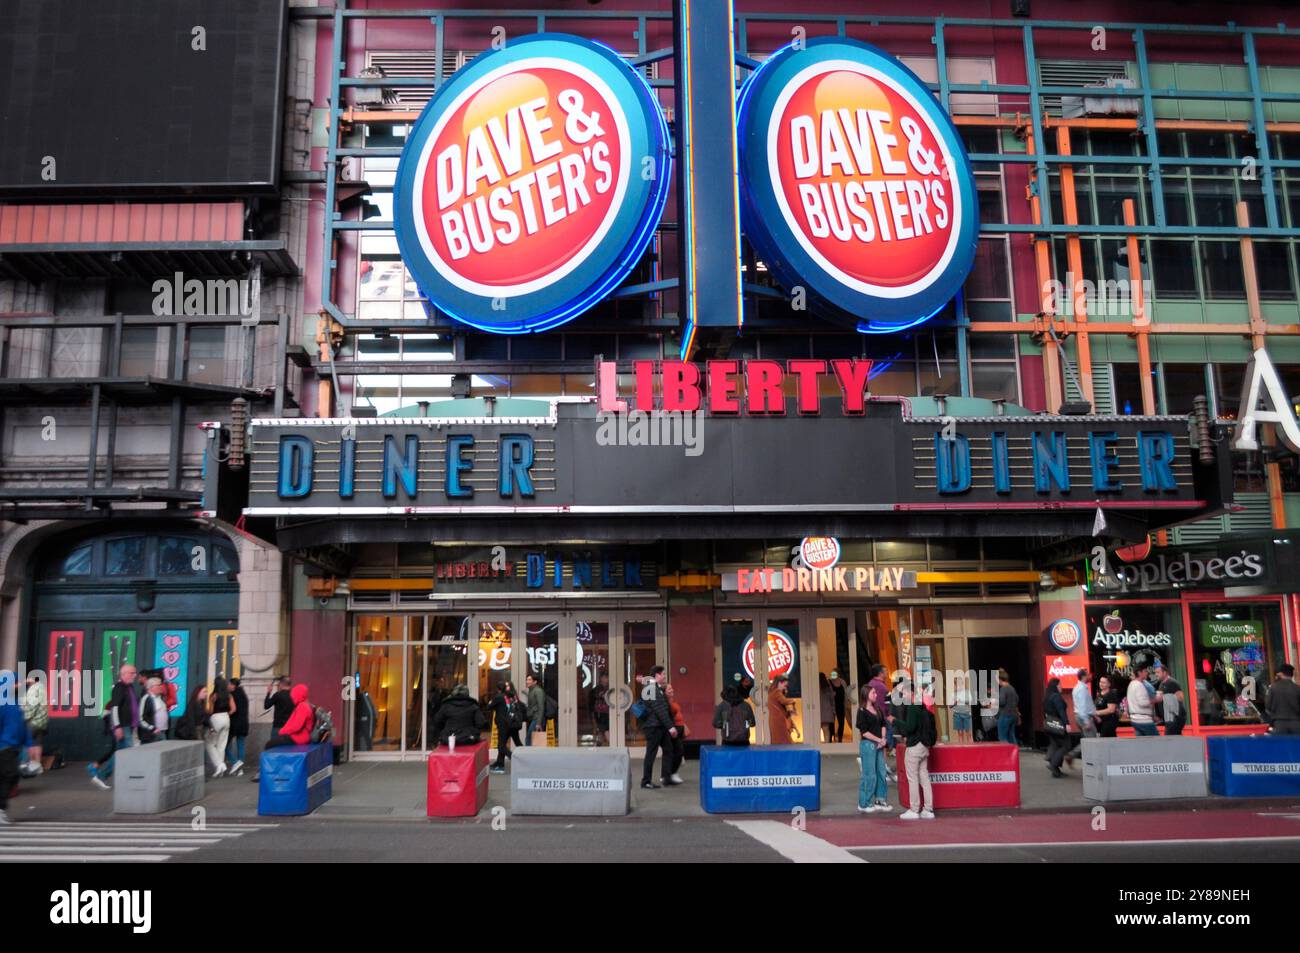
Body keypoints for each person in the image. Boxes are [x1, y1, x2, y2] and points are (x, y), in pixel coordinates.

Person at [89, 662, 139, 789]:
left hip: (129, 726)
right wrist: (117, 727)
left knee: (121, 754)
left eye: (135, 673)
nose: (135, 675)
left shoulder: (129, 688)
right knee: (126, 753)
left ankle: (101, 776)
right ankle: (102, 775)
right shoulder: (119, 687)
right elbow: (115, 708)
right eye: (132, 673)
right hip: (124, 726)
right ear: (124, 674)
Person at [893, 683, 935, 820]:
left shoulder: (912, 707)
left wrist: (895, 722)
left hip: (914, 746)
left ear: (911, 693)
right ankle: (928, 809)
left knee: (912, 778)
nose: (903, 696)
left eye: (904, 693)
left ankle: (914, 809)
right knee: (924, 777)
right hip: (924, 746)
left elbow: (909, 728)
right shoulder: (922, 706)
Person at [0, 672, 35, 824]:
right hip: (4, 746)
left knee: (9, 777)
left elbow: (23, 726)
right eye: (16, 683)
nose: (18, 685)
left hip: (13, 747)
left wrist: (30, 744)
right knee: (11, 775)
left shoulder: (18, 703)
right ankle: (1, 809)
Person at [638, 665, 679, 789]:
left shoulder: (655, 687)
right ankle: (646, 781)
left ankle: (666, 777)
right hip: (653, 727)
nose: (665, 677)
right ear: (657, 675)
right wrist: (671, 727)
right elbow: (660, 709)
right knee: (651, 753)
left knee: (668, 749)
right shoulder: (652, 688)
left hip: (659, 726)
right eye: (663, 674)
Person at [856, 679, 891, 813]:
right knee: (869, 774)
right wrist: (878, 740)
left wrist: (882, 739)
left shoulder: (877, 709)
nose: (876, 695)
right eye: (873, 693)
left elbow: (883, 724)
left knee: (881, 772)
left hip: (879, 744)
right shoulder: (862, 711)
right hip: (868, 745)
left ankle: (880, 799)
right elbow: (864, 732)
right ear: (866, 695)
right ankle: (864, 803)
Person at [487, 680, 523, 772]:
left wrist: (491, 702)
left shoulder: (499, 697)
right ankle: (500, 762)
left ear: (498, 689)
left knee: (501, 745)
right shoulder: (512, 696)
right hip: (512, 722)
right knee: (516, 742)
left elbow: (489, 707)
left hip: (504, 724)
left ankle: (516, 760)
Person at [867, 664, 895, 780]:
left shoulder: (870, 684)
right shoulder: (882, 687)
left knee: (879, 744)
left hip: (873, 718)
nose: (887, 673)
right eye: (885, 671)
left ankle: (880, 768)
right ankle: (882, 769)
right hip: (882, 718)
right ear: (880, 673)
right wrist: (889, 716)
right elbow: (888, 704)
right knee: (883, 743)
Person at [265, 684, 313, 749]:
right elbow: (291, 722)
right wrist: (283, 730)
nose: (292, 697)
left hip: (299, 738)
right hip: (298, 736)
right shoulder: (302, 705)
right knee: (275, 742)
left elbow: (296, 726)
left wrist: (283, 731)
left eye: (294, 695)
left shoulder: (302, 707)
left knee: (269, 744)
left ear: (298, 694)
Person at [206, 676, 235, 777]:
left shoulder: (213, 696)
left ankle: (219, 765)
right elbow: (233, 709)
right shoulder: (229, 696)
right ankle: (220, 771)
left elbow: (210, 710)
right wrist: (226, 714)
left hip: (216, 718)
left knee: (210, 743)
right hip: (226, 718)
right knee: (221, 745)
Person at [19, 674, 47, 777]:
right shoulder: (42, 688)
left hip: (33, 722)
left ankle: (27, 765)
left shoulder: (34, 689)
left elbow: (31, 706)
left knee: (28, 743)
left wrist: (24, 717)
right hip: (42, 722)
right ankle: (37, 766)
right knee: (38, 744)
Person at [1043, 678, 1071, 778]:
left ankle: (1056, 769)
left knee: (1056, 744)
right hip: (1058, 725)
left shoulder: (1047, 696)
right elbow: (1061, 711)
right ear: (1056, 686)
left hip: (1050, 725)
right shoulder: (1056, 697)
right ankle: (1053, 764)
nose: (1061, 686)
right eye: (1060, 685)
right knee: (1066, 745)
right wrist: (1067, 724)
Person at [1067, 669, 1096, 764]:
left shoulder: (1078, 687)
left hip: (1081, 716)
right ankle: (1073, 756)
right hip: (1083, 717)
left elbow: (1086, 704)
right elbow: (1083, 706)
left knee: (1086, 740)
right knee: (1091, 741)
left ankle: (1086, 760)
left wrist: (1094, 715)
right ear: (1084, 676)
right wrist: (1087, 721)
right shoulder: (1082, 689)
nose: (1090, 676)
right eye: (1088, 674)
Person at [1265, 664, 1300, 735]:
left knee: (1281, 745)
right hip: (1296, 724)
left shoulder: (1273, 688)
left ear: (1281, 674)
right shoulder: (1298, 689)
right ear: (1292, 674)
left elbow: (1268, 706)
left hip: (1279, 724)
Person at [1126, 662, 1158, 736]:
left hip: (1135, 719)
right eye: (1145, 671)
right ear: (1139, 673)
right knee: (1157, 743)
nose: (1147, 673)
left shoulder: (1131, 684)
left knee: (1141, 744)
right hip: (1144, 720)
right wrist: (1156, 699)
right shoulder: (1140, 685)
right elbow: (1143, 703)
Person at [226, 677, 249, 774]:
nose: (228, 686)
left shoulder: (232, 695)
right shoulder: (243, 695)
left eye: (229, 684)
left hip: (234, 724)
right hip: (244, 723)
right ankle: (240, 769)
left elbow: (232, 710)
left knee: (225, 747)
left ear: (233, 686)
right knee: (241, 745)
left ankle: (235, 762)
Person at [1154, 664, 1186, 736]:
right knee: (1174, 741)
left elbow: (1181, 697)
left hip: (1175, 718)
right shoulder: (1161, 684)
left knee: (1170, 741)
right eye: (1155, 672)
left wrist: (1164, 697)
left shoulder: (1172, 682)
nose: (1156, 674)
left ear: (1165, 673)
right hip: (1168, 719)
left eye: (1158, 672)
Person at [665, 683, 687, 784]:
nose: (672, 690)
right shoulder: (666, 703)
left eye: (672, 688)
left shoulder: (672, 701)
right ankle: (671, 774)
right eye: (669, 689)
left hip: (679, 729)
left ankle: (671, 773)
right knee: (677, 751)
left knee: (677, 751)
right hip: (673, 730)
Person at [138, 677, 169, 744]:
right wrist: (152, 729)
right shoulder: (146, 698)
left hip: (162, 732)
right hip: (151, 734)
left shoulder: (160, 698)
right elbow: (140, 719)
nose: (161, 687)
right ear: (151, 687)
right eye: (159, 685)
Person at [768, 675, 795, 744]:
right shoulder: (777, 692)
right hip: (779, 719)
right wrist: (793, 700)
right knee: (784, 739)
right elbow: (784, 701)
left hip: (774, 719)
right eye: (785, 685)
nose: (785, 687)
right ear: (779, 683)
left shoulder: (772, 692)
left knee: (776, 739)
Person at [996, 669, 1020, 746]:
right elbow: (1017, 699)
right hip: (1013, 715)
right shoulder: (1012, 688)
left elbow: (1002, 702)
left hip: (1005, 715)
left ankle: (1005, 755)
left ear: (1000, 679)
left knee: (1002, 737)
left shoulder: (1003, 689)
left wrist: (995, 701)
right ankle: (1014, 754)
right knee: (1011, 736)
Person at [950, 673, 973, 745]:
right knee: (960, 733)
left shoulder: (967, 692)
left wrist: (963, 700)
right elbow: (950, 706)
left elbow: (970, 701)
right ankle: (961, 748)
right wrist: (955, 702)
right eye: (957, 684)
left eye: (960, 683)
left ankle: (971, 749)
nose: (958, 685)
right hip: (957, 714)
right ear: (955, 684)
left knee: (968, 733)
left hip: (966, 714)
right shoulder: (953, 693)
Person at [525, 674, 547, 745]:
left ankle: (528, 755)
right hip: (534, 718)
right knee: (531, 739)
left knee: (528, 739)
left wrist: (538, 722)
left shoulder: (538, 691)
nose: (527, 681)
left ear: (535, 682)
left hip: (537, 719)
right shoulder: (532, 691)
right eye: (527, 679)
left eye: (529, 680)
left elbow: (541, 707)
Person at [590, 673, 611, 746]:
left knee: (603, 728)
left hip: (608, 711)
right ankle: (611, 743)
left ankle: (599, 743)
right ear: (600, 679)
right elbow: (594, 698)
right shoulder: (597, 689)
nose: (605, 679)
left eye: (606, 677)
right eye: (603, 677)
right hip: (599, 712)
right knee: (603, 728)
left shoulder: (610, 688)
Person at [829, 670, 849, 742]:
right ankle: (831, 737)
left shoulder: (842, 682)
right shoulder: (829, 682)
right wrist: (831, 695)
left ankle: (840, 738)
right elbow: (827, 693)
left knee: (841, 722)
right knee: (831, 722)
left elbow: (846, 692)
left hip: (841, 705)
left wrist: (846, 702)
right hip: (832, 706)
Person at [818, 672, 836, 743]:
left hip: (818, 711)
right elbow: (832, 699)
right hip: (827, 711)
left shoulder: (815, 687)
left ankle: (817, 745)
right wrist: (833, 710)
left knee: (817, 730)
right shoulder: (828, 687)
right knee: (826, 729)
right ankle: (827, 744)